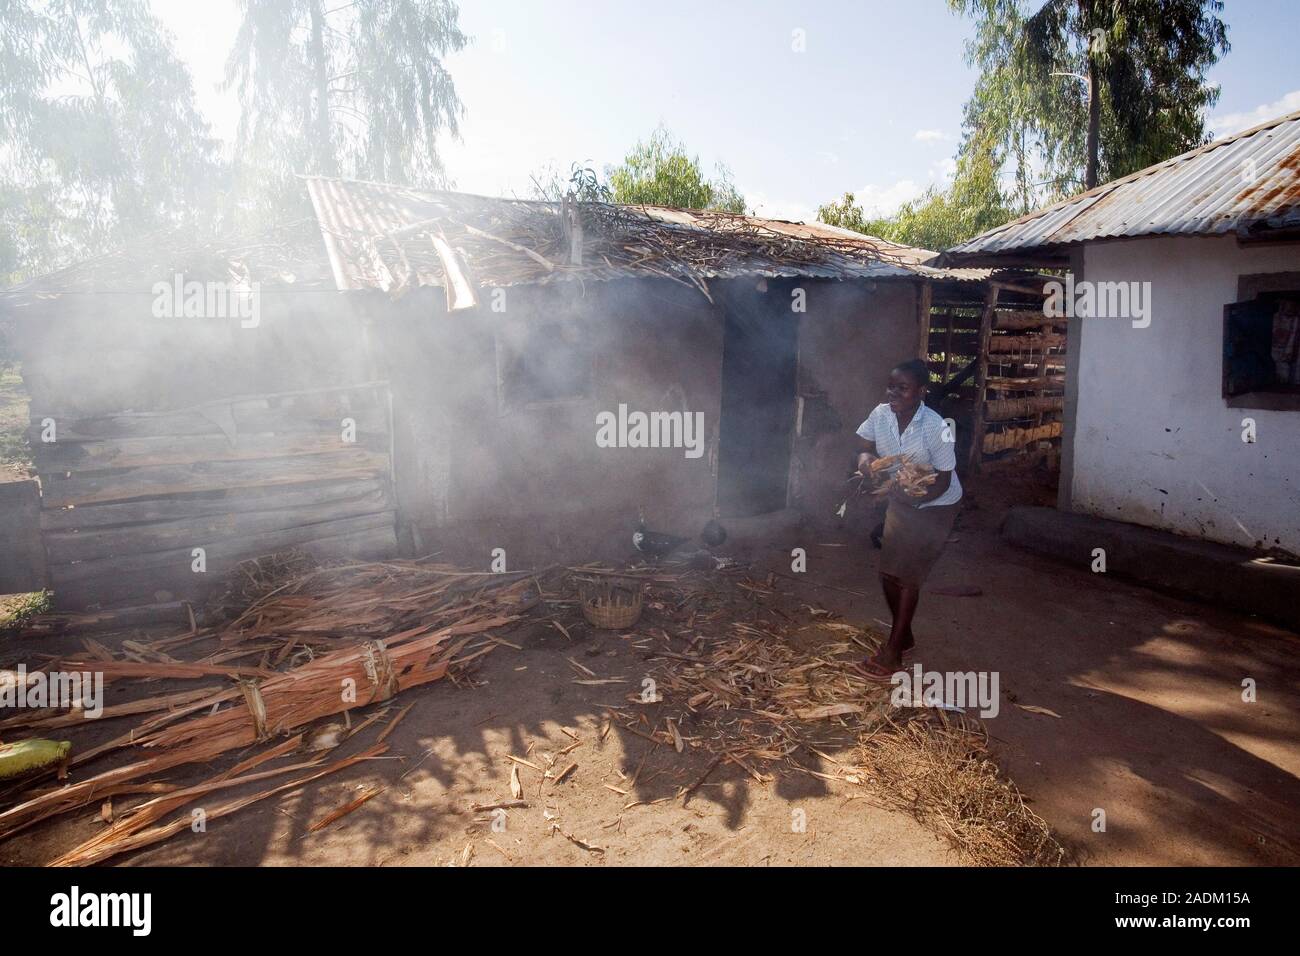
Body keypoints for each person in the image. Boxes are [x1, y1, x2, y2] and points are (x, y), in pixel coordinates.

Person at [850, 358, 962, 682]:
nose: (894, 393)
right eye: (891, 386)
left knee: (908, 577)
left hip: (937, 504)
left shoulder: (935, 427)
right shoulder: (880, 414)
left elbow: (942, 480)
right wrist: (865, 461)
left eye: (903, 388)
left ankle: (893, 653)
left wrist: (916, 500)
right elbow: (863, 447)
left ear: (921, 391)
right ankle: (906, 636)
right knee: (888, 573)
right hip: (901, 498)